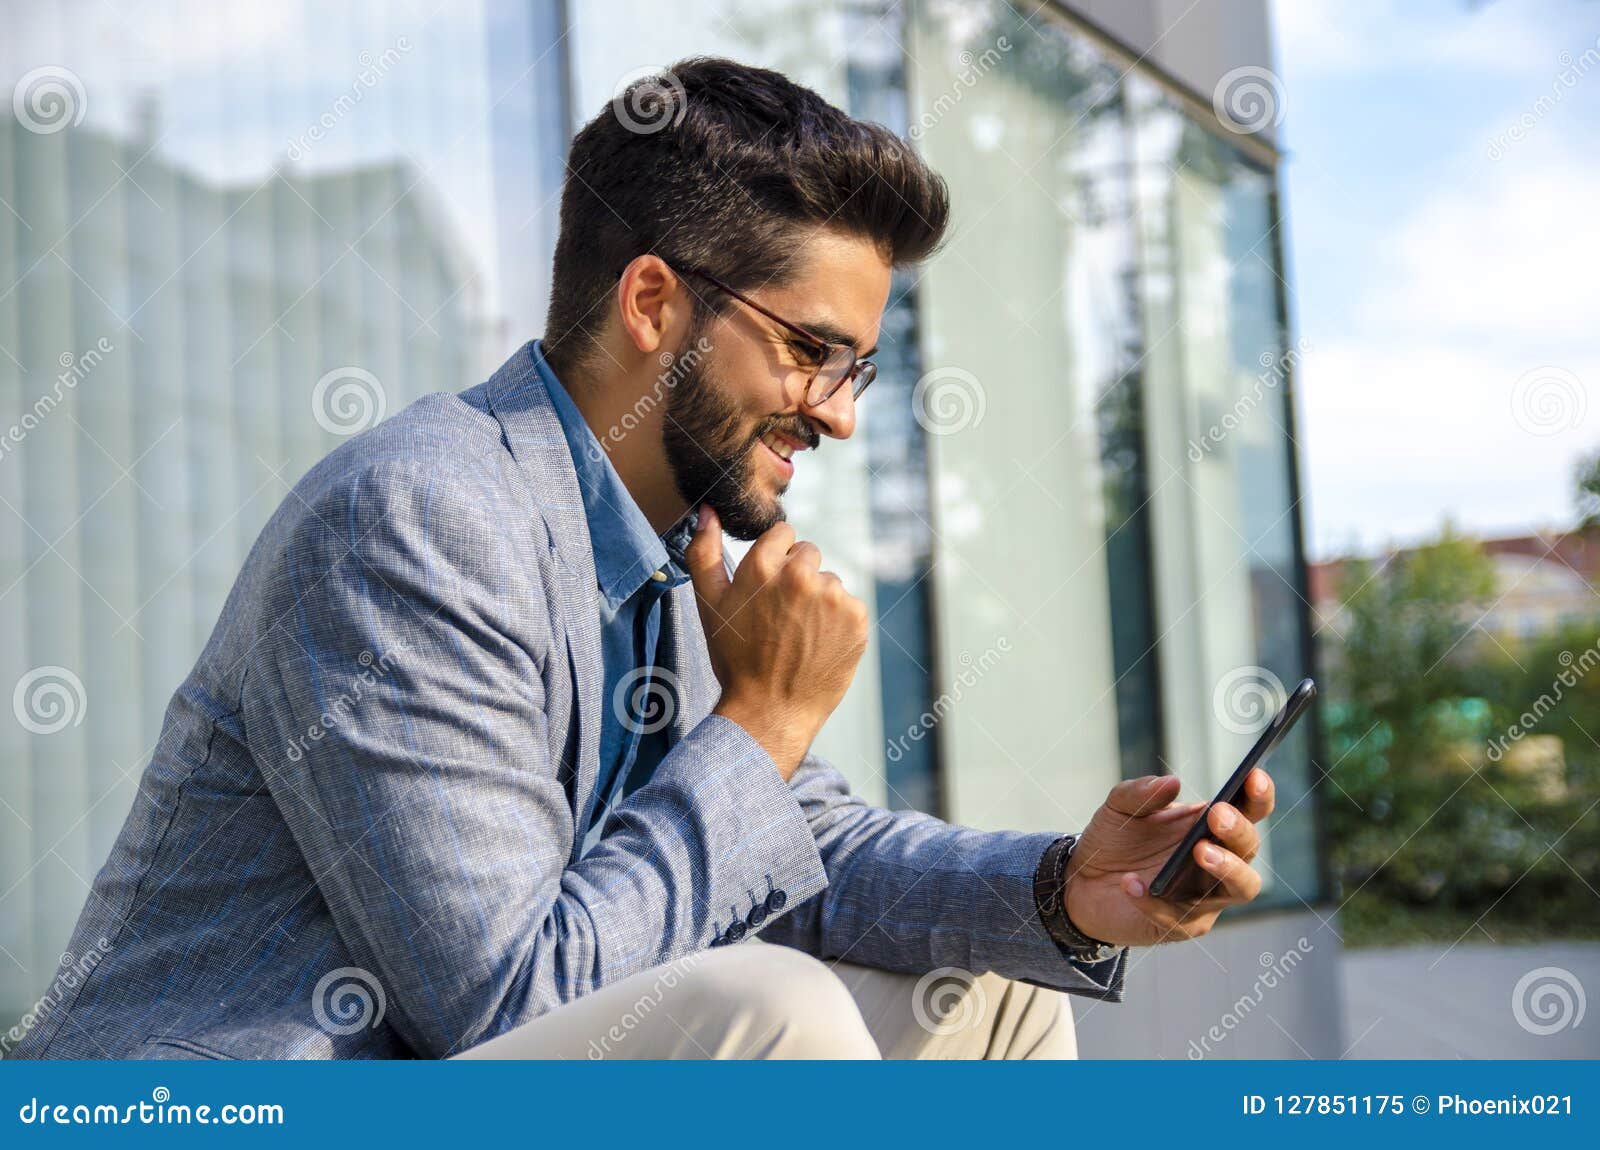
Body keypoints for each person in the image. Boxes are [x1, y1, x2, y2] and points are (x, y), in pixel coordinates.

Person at [10, 57, 1272, 1062]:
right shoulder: (413, 520)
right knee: (767, 1014)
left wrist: (1063, 892)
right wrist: (765, 717)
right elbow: (508, 999)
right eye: (808, 351)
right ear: (655, 304)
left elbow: (801, 852)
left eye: (858, 369)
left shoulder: (679, 547)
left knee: (996, 1006)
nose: (838, 412)